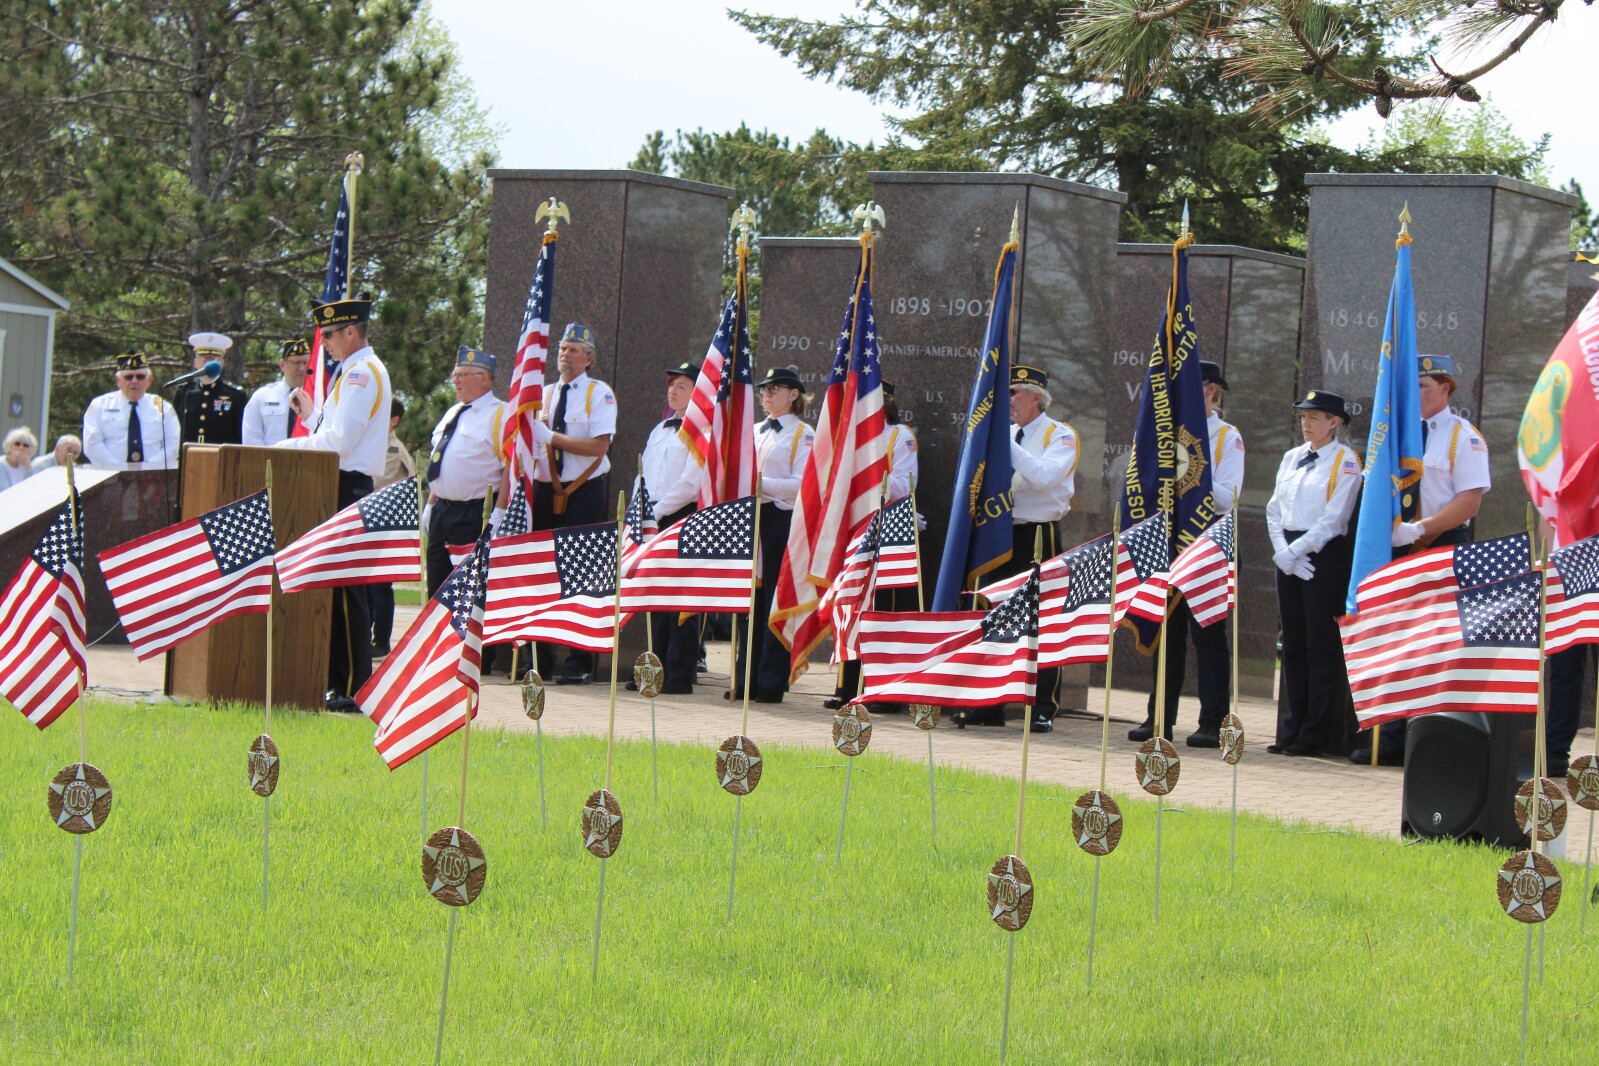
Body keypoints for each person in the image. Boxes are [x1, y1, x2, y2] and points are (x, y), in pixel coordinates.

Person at [1352, 353, 1492, 765]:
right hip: (1394, 545)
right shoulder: (1394, 434)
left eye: (1422, 387)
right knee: (1395, 641)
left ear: (1445, 388)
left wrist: (1418, 529)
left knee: (1433, 645)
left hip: (1439, 543)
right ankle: (1389, 739)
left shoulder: (1462, 436)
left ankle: (1426, 741)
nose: (1414, 394)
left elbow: (1469, 502)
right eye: (1409, 387)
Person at [274, 295, 390, 711]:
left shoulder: (361, 374)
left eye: (328, 336)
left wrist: (285, 447)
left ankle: (352, 688)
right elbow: (335, 431)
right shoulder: (354, 372)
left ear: (351, 332)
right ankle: (339, 683)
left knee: (347, 591)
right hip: (336, 483)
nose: (322, 344)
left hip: (345, 485)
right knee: (339, 587)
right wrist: (311, 417)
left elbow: (340, 443)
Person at [1130, 359, 1246, 747]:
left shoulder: (1227, 437)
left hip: (1209, 545)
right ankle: (1159, 718)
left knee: (1208, 635)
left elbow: (1229, 497)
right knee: (1167, 635)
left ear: (1210, 390)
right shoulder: (1167, 434)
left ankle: (1213, 721)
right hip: (1171, 543)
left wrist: (1194, 476)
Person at [962, 363, 1077, 732]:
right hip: (1001, 533)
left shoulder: (1061, 435)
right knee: (998, 616)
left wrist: (1004, 445)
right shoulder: (1009, 434)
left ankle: (1043, 706)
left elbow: (1043, 477)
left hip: (1039, 535)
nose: (1007, 400)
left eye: (1014, 392)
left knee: (1042, 621)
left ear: (1036, 398)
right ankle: (991, 703)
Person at [1266, 390, 1362, 757]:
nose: (1306, 423)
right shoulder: (1291, 457)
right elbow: (1274, 510)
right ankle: (1291, 727)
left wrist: (1295, 552)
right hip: (1288, 552)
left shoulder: (1345, 461)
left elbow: (1335, 520)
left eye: (1315, 417)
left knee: (1319, 645)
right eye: (1304, 417)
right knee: (1292, 644)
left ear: (1334, 422)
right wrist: (1283, 552)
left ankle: (1314, 732)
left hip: (1323, 554)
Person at [530, 322, 617, 685]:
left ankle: (578, 660)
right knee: (541, 574)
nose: (565, 354)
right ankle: (540, 658)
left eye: (574, 350)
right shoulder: (544, 393)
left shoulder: (599, 393)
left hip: (583, 491)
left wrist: (552, 437)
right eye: (563, 348)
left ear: (589, 358)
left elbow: (599, 446)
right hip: (544, 490)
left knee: (581, 574)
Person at [828, 379, 919, 709]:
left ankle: (885, 691)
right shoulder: (851, 438)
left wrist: (863, 479)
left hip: (889, 532)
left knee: (885, 612)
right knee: (852, 606)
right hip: (857, 529)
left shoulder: (899, 436)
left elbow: (905, 484)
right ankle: (847, 688)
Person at [733, 364, 814, 704]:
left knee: (774, 602)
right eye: (765, 388)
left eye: (774, 388)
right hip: (750, 518)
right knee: (747, 599)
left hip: (780, 521)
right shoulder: (754, 430)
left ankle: (770, 681)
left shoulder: (804, 434)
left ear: (793, 395)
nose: (766, 393)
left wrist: (760, 485)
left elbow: (802, 484)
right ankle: (744, 679)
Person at [636, 360, 703, 695]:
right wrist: (639, 509)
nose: (673, 392)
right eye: (671, 386)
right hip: (653, 517)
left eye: (681, 386)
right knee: (655, 595)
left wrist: (658, 511)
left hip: (680, 515)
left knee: (680, 597)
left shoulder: (701, 431)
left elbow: (691, 483)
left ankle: (679, 672)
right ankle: (655, 668)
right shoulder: (660, 429)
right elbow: (644, 472)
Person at [423, 347, 506, 596]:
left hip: (475, 513)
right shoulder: (453, 412)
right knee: (437, 589)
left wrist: (500, 512)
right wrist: (431, 504)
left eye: (462, 375)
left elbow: (511, 468)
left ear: (484, 378)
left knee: (467, 591)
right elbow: (442, 460)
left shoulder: (501, 414)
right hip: (442, 512)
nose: (455, 381)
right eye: (454, 375)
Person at [370, 396, 417, 658]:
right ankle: (367, 637)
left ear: (394, 421)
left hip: (384, 523)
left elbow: (375, 482)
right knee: (367, 586)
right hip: (372, 522)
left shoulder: (392, 450)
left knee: (379, 586)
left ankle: (381, 641)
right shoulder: (375, 444)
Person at [82, 351, 181, 471]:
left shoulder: (163, 408)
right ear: (118, 380)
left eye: (140, 376)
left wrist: (147, 469)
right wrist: (119, 470)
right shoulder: (100, 405)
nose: (134, 381)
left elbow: (172, 446)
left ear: (149, 379)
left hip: (153, 476)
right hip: (109, 475)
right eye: (128, 377)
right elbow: (92, 445)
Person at [173, 332, 247, 446]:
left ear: (221, 363)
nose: (208, 364)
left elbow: (241, 436)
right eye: (204, 359)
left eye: (212, 359)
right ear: (196, 363)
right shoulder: (184, 392)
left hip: (220, 455)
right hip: (188, 454)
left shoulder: (236, 396)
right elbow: (174, 431)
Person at [242, 339, 312, 447]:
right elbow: (251, 437)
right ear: (282, 365)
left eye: (306, 363)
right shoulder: (262, 396)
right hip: (268, 457)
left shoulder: (316, 396)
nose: (302, 368)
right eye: (297, 363)